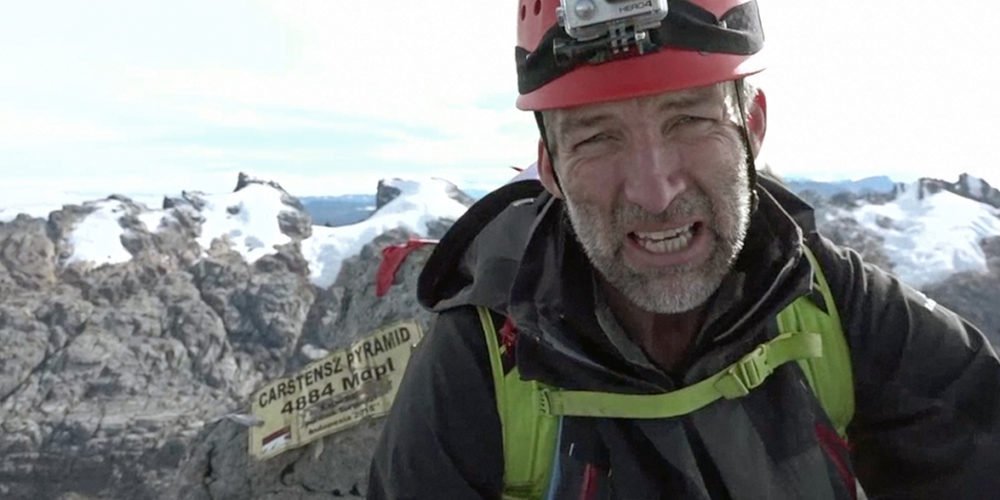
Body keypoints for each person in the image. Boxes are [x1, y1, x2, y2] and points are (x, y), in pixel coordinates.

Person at [367, 0, 1000, 498]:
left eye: (690, 120)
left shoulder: (831, 298)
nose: (656, 191)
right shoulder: (479, 368)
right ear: (551, 170)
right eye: (597, 137)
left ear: (751, 128)